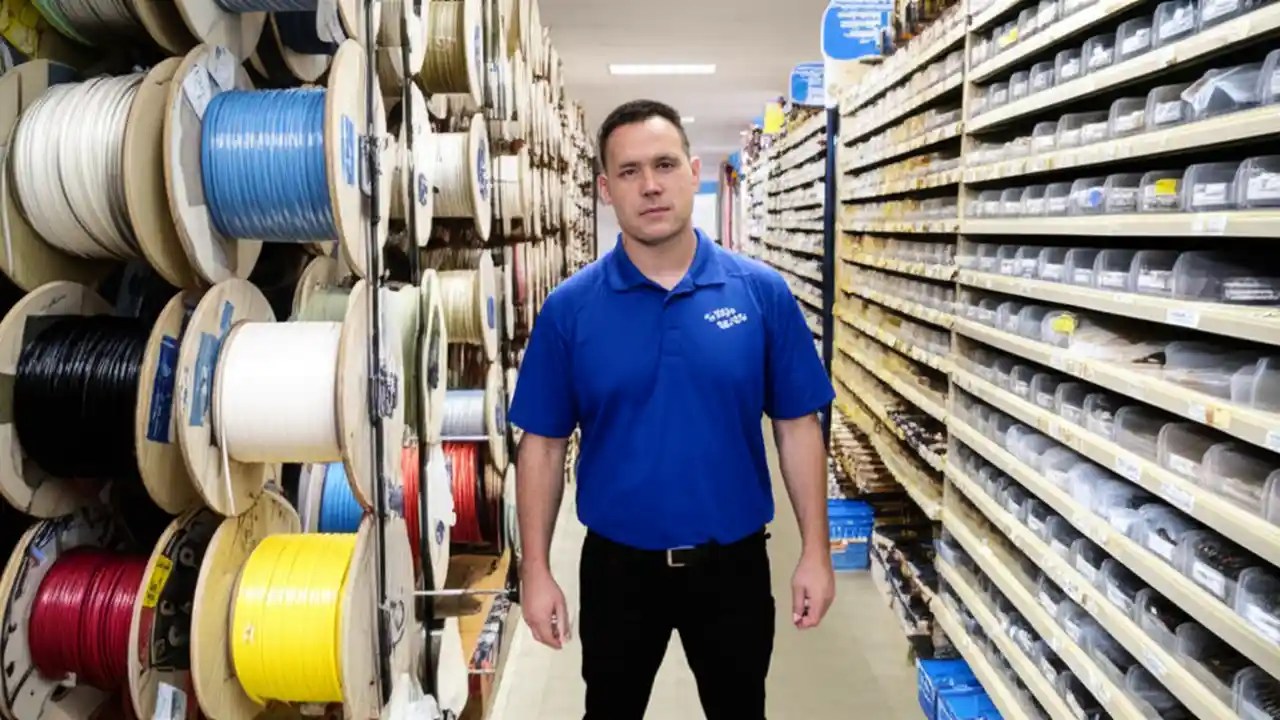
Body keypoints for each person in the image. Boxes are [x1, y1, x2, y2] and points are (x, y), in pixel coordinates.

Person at [508, 98, 836, 720]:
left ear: (693, 170)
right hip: (617, 570)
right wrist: (537, 569)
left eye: (663, 164)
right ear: (605, 189)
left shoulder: (761, 294)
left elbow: (798, 425)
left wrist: (815, 552)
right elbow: (543, 446)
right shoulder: (570, 310)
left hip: (733, 567)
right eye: (629, 171)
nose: (650, 185)